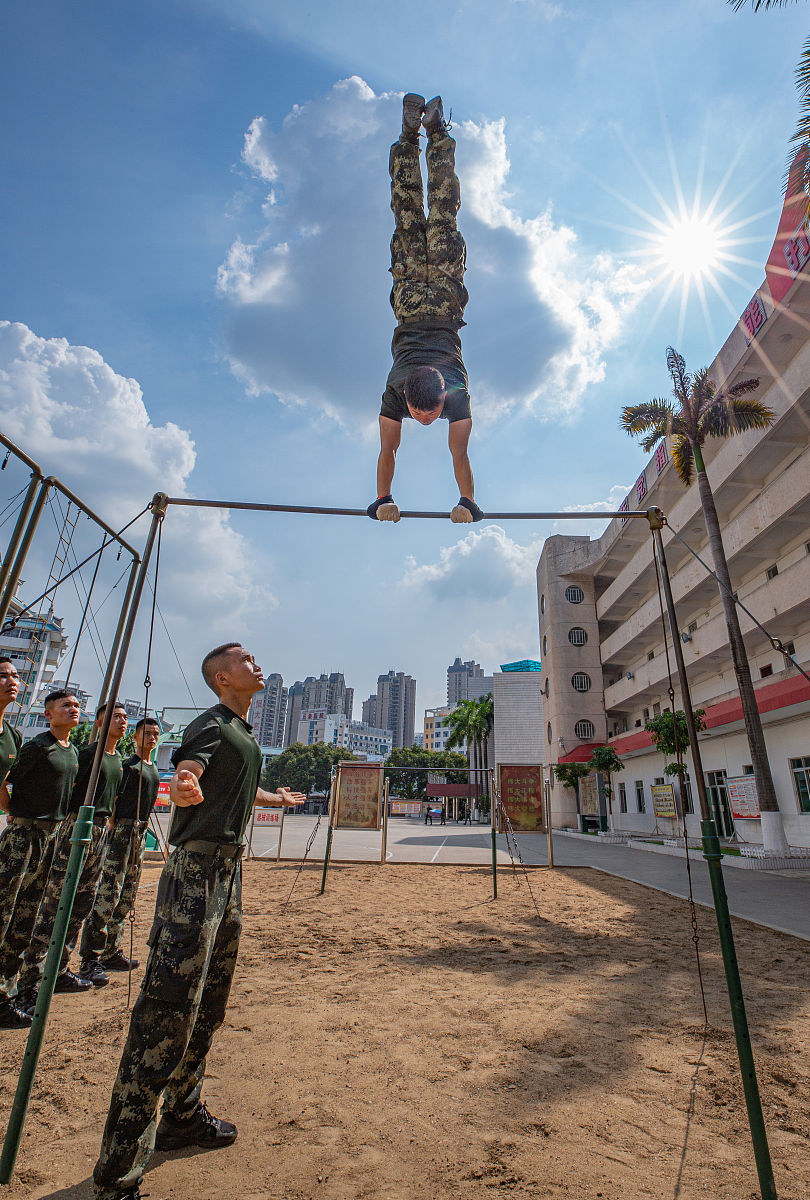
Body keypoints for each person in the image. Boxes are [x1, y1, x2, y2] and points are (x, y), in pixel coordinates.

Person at [92, 643, 306, 1200]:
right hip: (196, 876)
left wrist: (273, 796)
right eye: (245, 660)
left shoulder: (242, 730)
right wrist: (184, 783)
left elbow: (231, 784)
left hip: (227, 874)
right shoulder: (211, 724)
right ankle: (117, 1176)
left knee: (208, 1004)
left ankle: (182, 1116)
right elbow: (191, 766)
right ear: (220, 678)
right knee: (166, 1013)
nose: (256, 663)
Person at [368, 94, 484, 527]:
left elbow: (389, 451)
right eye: (426, 416)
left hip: (423, 294)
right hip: (430, 295)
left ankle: (414, 131)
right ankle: (429, 130)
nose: (427, 420)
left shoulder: (424, 392)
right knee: (435, 214)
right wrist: (466, 501)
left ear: (438, 398)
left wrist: (382, 498)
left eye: (428, 414)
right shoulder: (438, 393)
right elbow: (457, 454)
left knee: (414, 212)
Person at [15, 701, 127, 1008]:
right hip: (75, 828)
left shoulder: (117, 761)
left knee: (82, 903)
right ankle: (30, 977)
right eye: (115, 716)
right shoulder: (86, 755)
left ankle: (60, 968)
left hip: (101, 832)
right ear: (100, 724)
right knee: (53, 903)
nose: (122, 722)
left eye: (124, 717)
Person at [0, 686, 80, 1029]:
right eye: (65, 705)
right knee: (5, 911)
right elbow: (5, 781)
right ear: (48, 714)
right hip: (24, 836)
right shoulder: (36, 746)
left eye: (76, 705)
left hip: (52, 837)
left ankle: (9, 991)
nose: (73, 709)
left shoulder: (72, 751)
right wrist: (14, 813)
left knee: (28, 916)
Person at [79, 716, 161, 974]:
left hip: (139, 832)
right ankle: (91, 957)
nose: (152, 738)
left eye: (155, 734)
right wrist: (114, 828)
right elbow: (113, 798)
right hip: (122, 830)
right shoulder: (129, 766)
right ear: (135, 737)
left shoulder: (153, 769)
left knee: (127, 892)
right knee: (108, 892)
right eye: (146, 733)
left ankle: (112, 950)